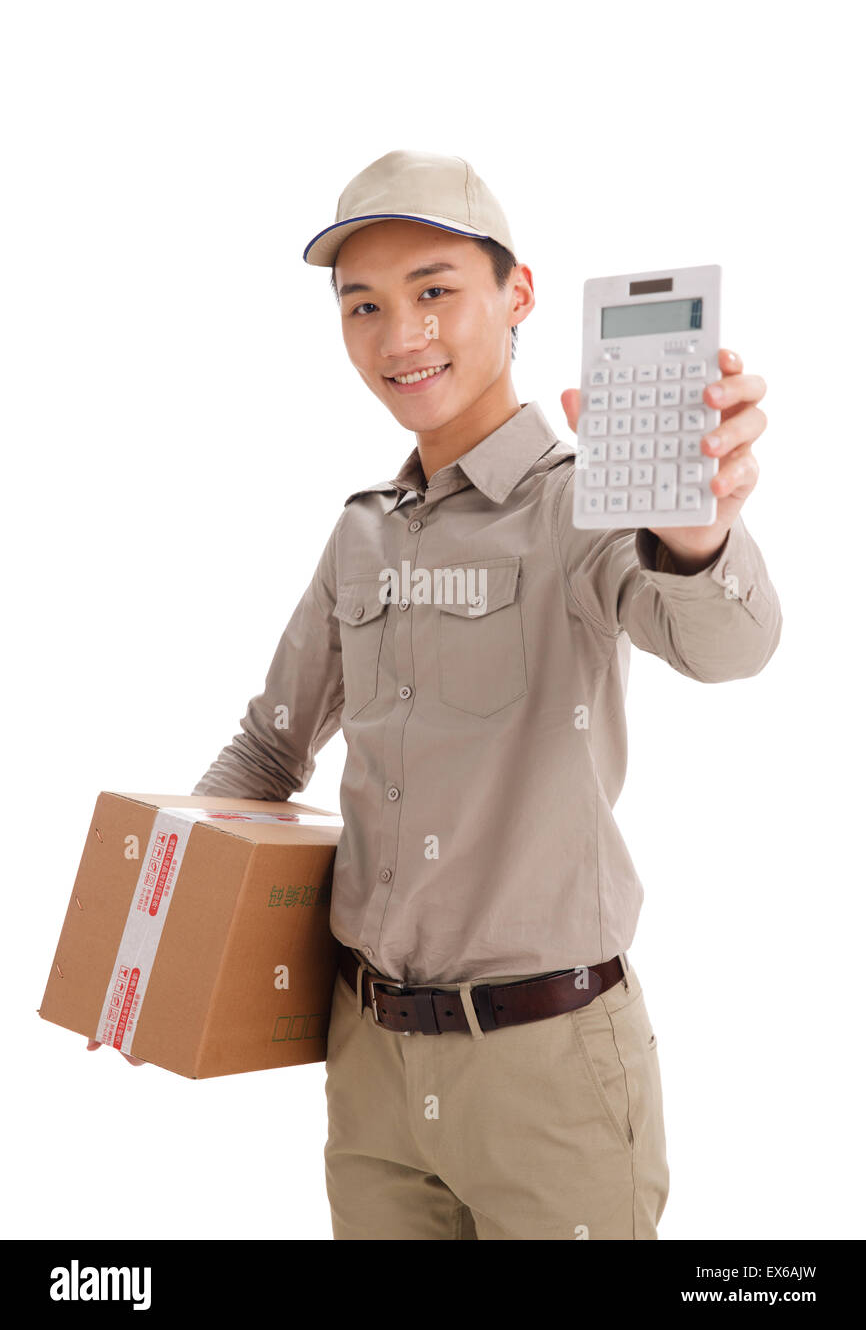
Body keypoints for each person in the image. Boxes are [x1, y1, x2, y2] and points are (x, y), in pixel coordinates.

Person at [94, 150, 782, 1239]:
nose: (397, 334)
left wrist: (696, 532)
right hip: (366, 1065)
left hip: (548, 1074)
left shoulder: (587, 510)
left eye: (432, 291)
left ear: (515, 296)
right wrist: (152, 935)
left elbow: (726, 645)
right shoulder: (360, 531)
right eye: (361, 304)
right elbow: (265, 755)